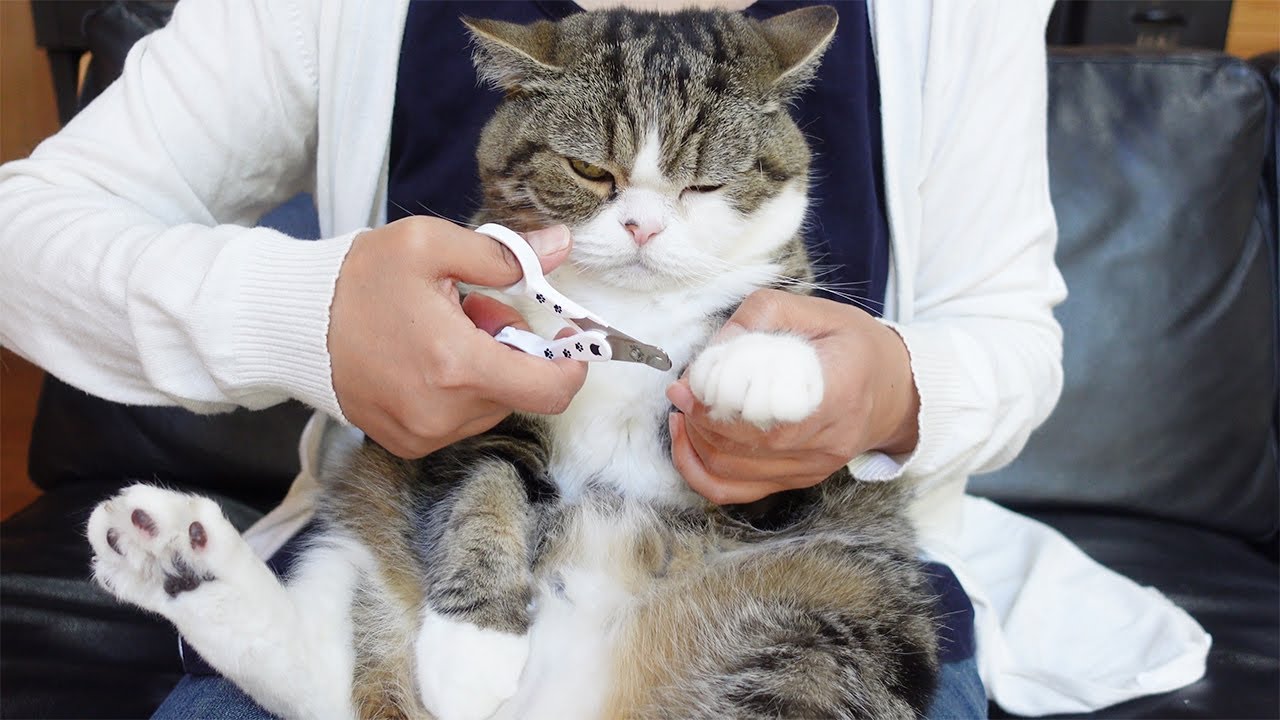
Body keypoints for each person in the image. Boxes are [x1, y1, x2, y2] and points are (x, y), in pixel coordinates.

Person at [0, 0, 1069, 718]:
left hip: (741, 589)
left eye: (693, 190)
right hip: (443, 567)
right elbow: (25, 230)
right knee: (385, 530)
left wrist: (893, 393)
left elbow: (1012, 333)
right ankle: (307, 662)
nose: (644, 230)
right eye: (596, 177)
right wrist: (305, 312)